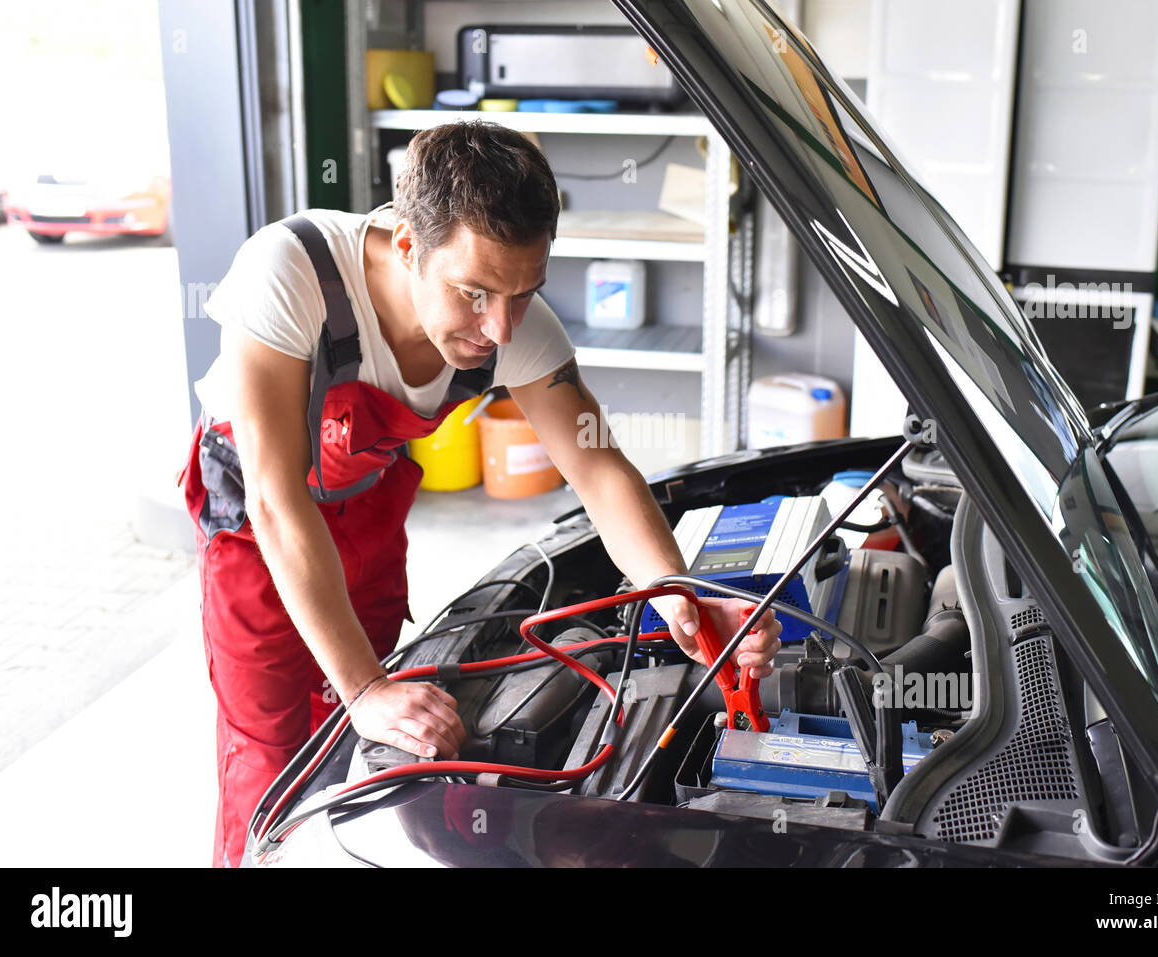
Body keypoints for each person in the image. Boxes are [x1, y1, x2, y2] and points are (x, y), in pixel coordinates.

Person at [179, 120, 781, 867]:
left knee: (359, 740)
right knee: (269, 752)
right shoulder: (292, 271)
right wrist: (366, 685)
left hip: (366, 506)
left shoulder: (510, 321)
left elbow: (599, 469)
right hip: (258, 524)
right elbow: (275, 498)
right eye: (474, 293)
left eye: (525, 292)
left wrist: (681, 597)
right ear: (406, 246)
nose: (499, 327)